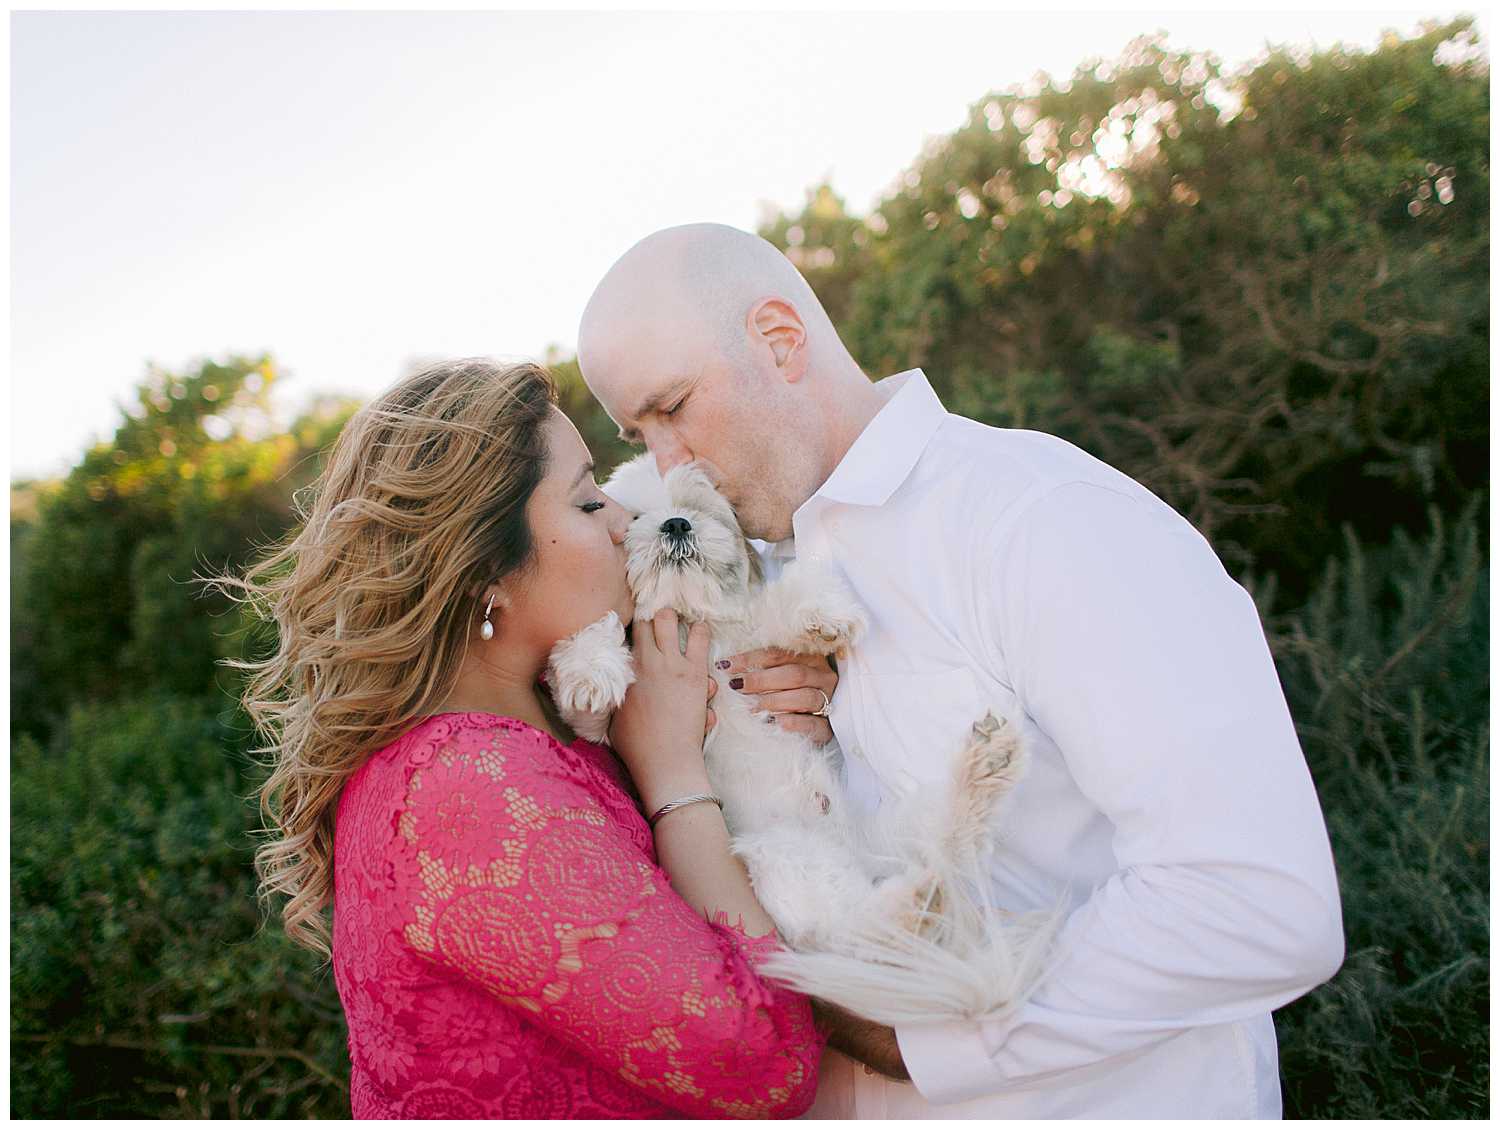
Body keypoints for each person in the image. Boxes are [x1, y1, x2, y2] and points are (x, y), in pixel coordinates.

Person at [575, 222, 1347, 1118]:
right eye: (638, 431)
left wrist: (920, 1038)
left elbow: (1256, 900)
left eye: (673, 408)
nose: (667, 463)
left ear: (780, 341)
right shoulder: (742, 574)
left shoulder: (1042, 522)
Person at [223, 358, 828, 1118]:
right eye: (585, 502)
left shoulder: (552, 727)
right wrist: (675, 777)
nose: (624, 521)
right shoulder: (465, 789)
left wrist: (799, 703)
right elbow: (766, 1064)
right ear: (486, 575)